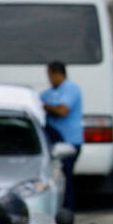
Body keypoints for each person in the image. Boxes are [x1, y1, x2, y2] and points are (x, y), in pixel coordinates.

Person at [40, 61, 83, 211]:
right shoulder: (50, 92)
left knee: (66, 181)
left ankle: (67, 213)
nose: (49, 79)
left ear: (58, 74)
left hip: (68, 142)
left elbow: (62, 111)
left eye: (50, 75)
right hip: (55, 143)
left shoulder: (71, 88)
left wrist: (44, 106)